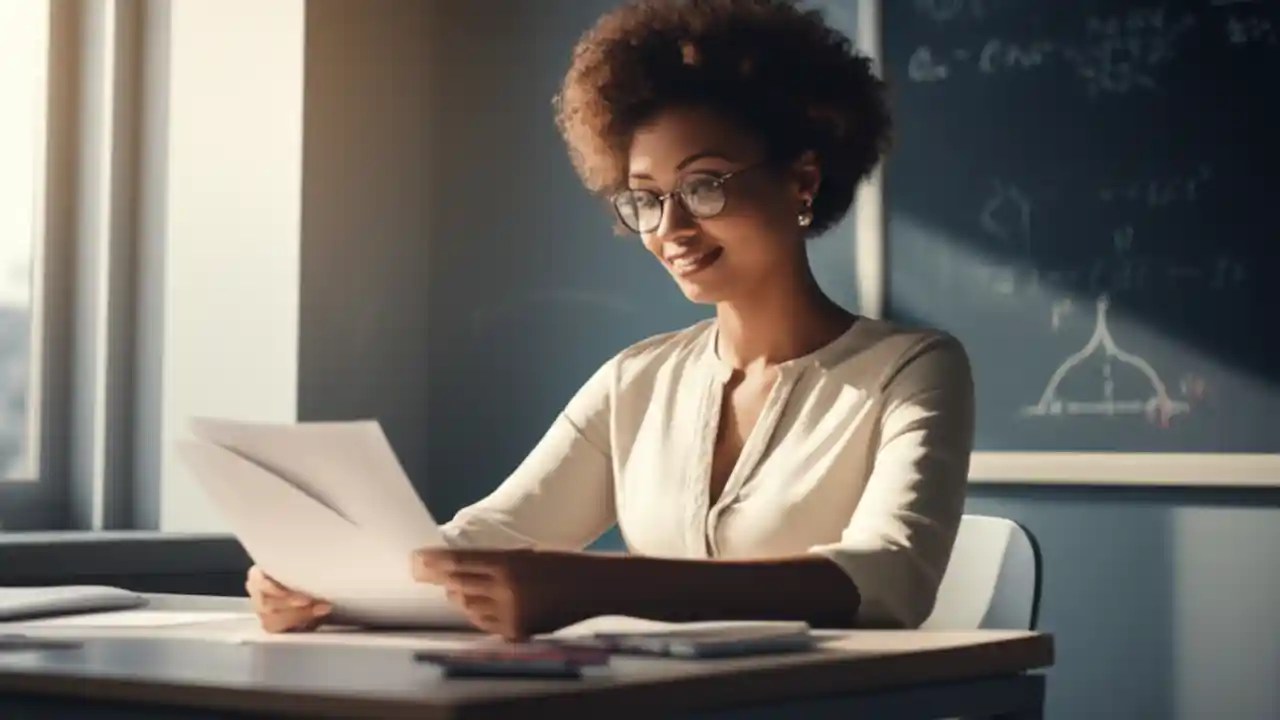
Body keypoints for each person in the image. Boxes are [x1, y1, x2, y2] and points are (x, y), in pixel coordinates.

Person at [246, 0, 974, 640]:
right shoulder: (637, 381)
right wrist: (327, 582)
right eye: (645, 197)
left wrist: (592, 587)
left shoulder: (910, 371)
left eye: (705, 185)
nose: (672, 228)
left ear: (803, 180)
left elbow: (890, 580)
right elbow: (487, 537)